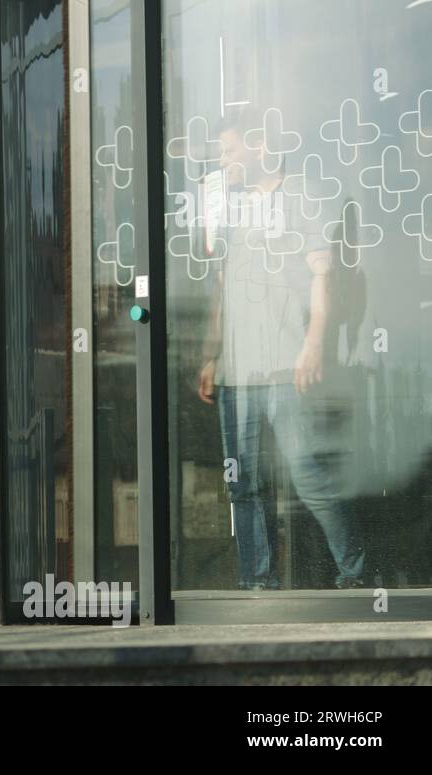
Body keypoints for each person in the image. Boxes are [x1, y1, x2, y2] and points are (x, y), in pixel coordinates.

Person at [195, 110, 365, 590]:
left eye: (230, 150)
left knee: (308, 475)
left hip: (286, 367)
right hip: (237, 374)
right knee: (242, 483)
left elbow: (322, 277)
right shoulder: (230, 210)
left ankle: (355, 573)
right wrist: (212, 355)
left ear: (257, 147)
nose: (223, 160)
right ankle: (258, 584)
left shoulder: (299, 197)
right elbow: (222, 288)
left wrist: (312, 345)